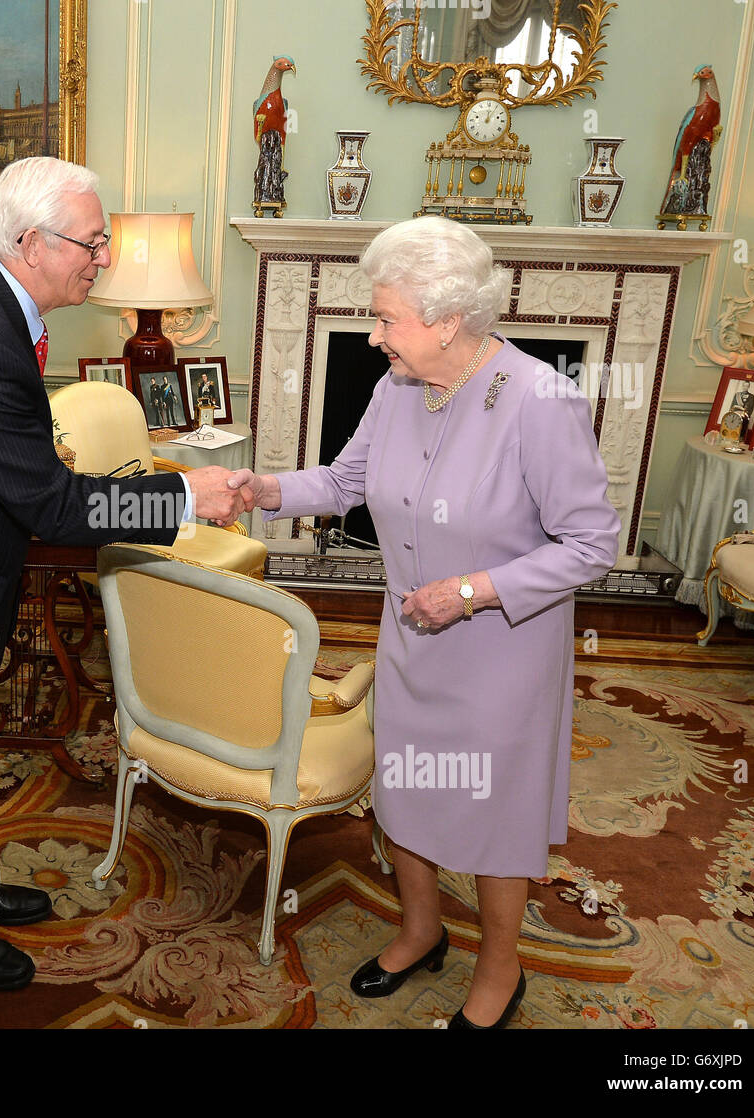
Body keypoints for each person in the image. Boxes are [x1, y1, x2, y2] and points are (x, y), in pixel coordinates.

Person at [0, 156, 246, 992]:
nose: (102, 257)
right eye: (90, 242)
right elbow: (52, 507)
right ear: (29, 243)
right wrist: (185, 497)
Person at [228, 215, 619, 1029]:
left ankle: (500, 966)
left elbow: (592, 546)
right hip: (410, 637)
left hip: (502, 650)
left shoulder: (540, 402)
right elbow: (343, 483)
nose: (374, 337)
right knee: (406, 791)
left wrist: (472, 590)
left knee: (493, 809)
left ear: (447, 321)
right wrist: (262, 489)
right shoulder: (399, 386)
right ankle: (420, 929)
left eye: (387, 319)